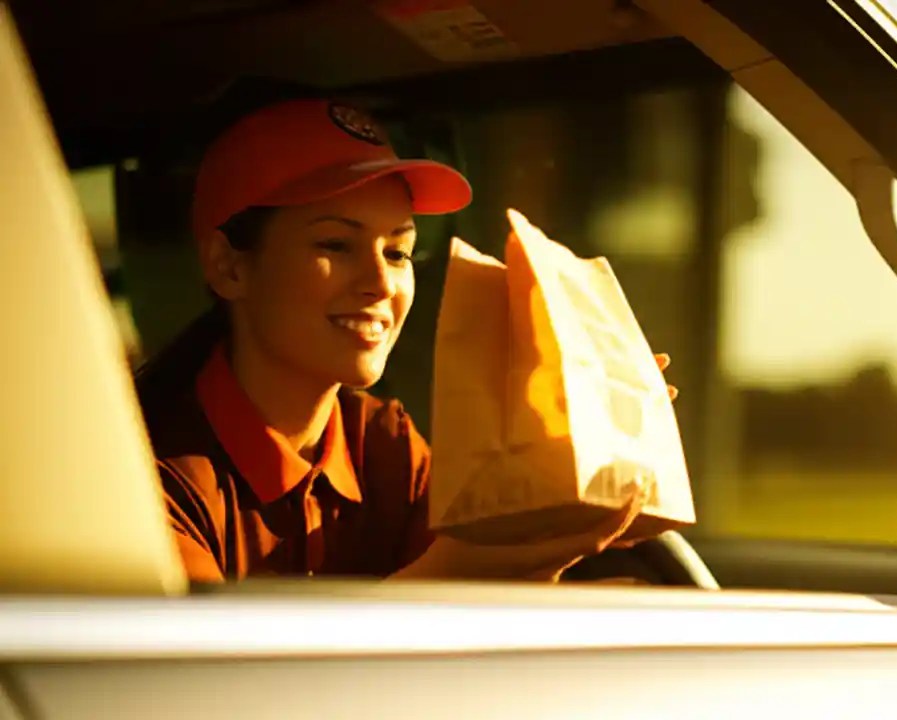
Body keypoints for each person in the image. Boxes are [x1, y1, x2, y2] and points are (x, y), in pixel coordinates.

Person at [136, 99, 670, 582]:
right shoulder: (143, 474)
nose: (380, 283)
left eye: (398, 252)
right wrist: (458, 571)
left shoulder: (384, 444)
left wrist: (590, 453)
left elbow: (474, 631)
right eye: (336, 244)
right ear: (229, 267)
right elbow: (220, 678)